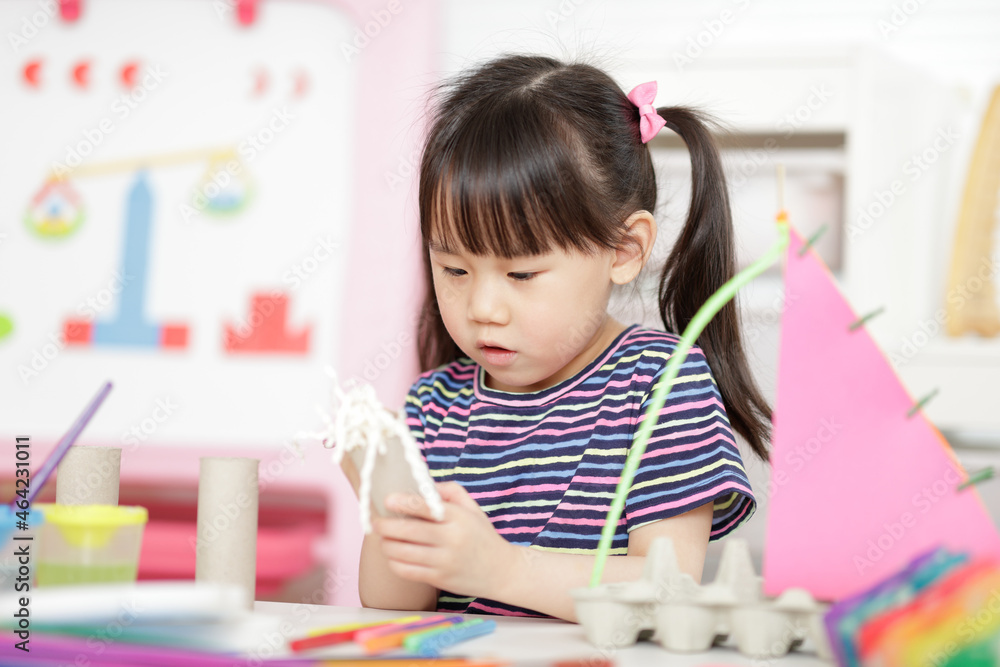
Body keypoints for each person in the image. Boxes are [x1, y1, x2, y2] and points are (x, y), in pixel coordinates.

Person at [353, 54, 771, 622]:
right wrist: (388, 505)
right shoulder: (435, 406)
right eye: (454, 270)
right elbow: (391, 604)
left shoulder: (657, 385)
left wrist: (498, 569)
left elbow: (668, 588)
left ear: (623, 251)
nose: (482, 308)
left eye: (521, 274)